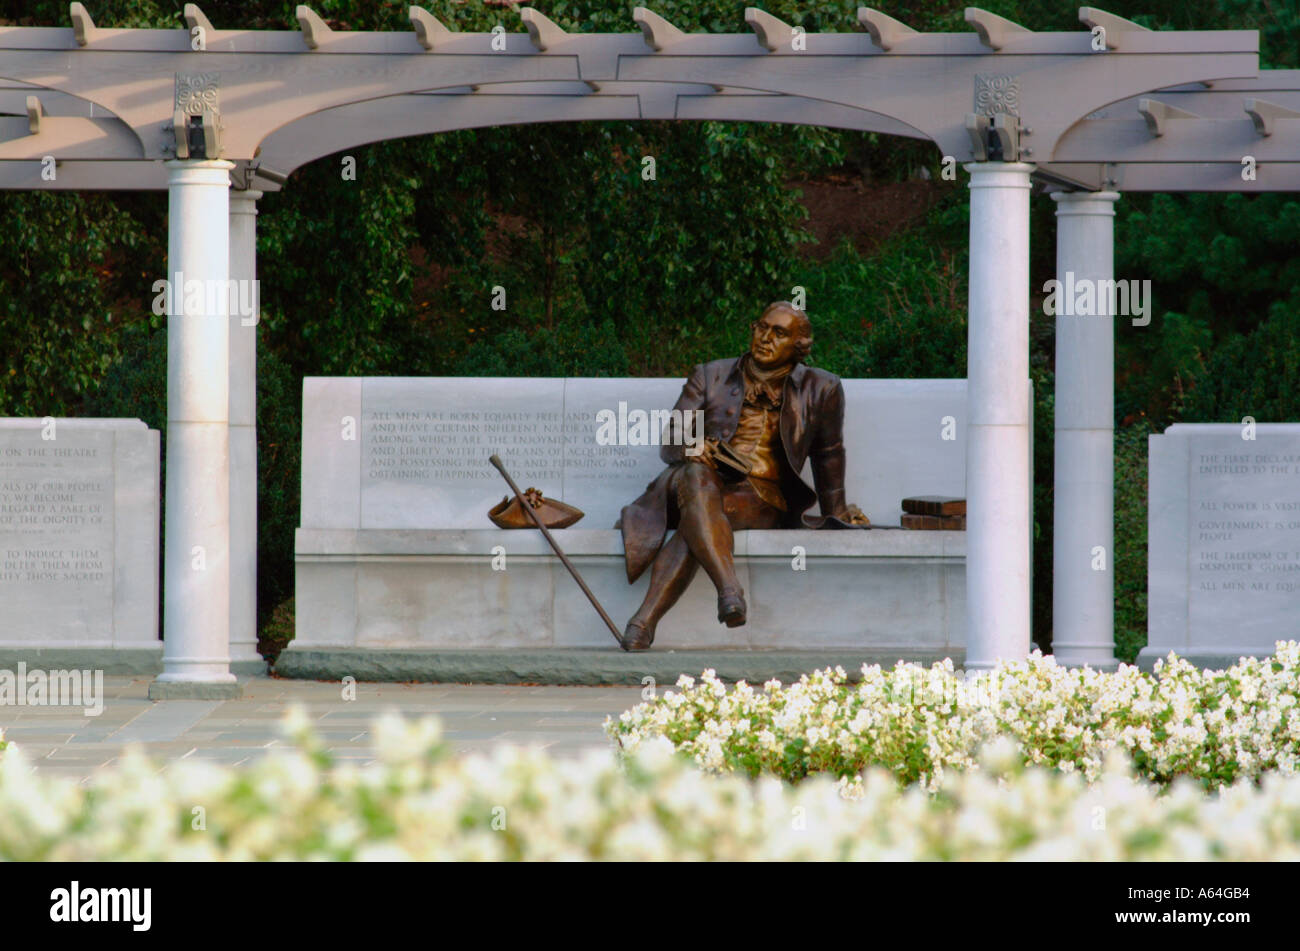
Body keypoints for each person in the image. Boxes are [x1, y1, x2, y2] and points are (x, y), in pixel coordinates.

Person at [617, 301, 867, 652]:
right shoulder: (711, 374)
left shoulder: (821, 388)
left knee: (700, 523)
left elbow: (828, 455)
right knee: (696, 477)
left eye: (778, 333)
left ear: (798, 345)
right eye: (761, 327)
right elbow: (673, 435)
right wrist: (691, 446)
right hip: (687, 484)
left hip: (758, 498)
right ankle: (729, 590)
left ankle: (642, 624)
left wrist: (836, 511)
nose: (765, 338)